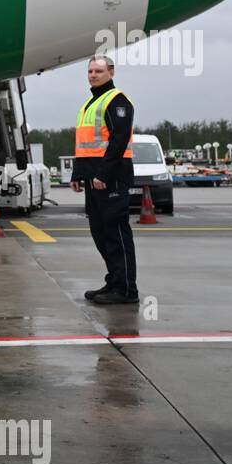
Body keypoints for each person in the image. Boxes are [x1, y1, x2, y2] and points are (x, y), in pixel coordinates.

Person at [70, 55, 138, 304]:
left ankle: (126, 290)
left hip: (111, 179)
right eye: (90, 71)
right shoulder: (91, 103)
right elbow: (85, 144)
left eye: (98, 71)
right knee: (100, 233)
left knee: (116, 233)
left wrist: (103, 174)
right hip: (93, 179)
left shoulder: (117, 102)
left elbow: (118, 142)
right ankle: (114, 282)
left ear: (111, 72)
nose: (93, 75)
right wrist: (79, 174)